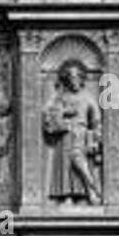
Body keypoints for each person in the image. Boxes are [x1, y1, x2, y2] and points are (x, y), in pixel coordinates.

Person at [43, 62, 102, 204]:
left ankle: (84, 193)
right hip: (64, 134)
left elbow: (96, 121)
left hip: (81, 135)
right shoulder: (60, 97)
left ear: (82, 79)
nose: (73, 81)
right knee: (65, 165)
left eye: (76, 77)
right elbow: (48, 114)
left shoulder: (88, 98)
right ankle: (66, 194)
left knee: (81, 164)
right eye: (70, 78)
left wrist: (95, 139)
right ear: (66, 79)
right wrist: (62, 114)